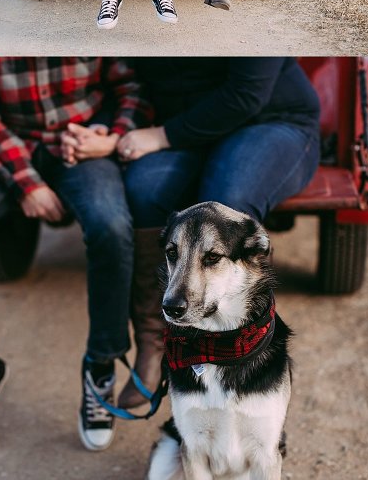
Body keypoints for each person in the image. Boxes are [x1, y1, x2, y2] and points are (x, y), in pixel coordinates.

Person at [0, 57, 152, 452]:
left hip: (80, 146)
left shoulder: (87, 19)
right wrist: (27, 184)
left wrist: (109, 134)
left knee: (111, 227)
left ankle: (101, 366)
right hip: (8, 145)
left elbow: (132, 86)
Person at [111, 57, 321, 410]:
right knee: (144, 190)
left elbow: (247, 93)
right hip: (188, 127)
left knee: (228, 206)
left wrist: (160, 136)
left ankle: (247, 355)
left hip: (268, 120)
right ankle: (154, 342)